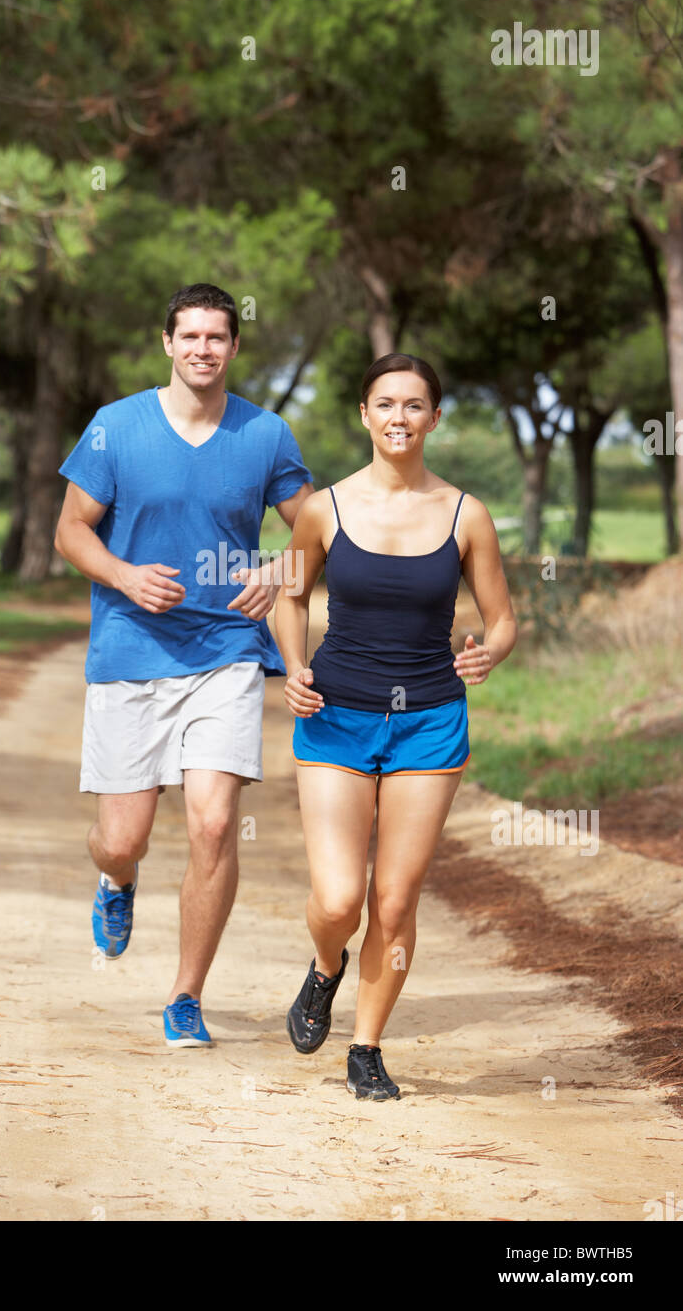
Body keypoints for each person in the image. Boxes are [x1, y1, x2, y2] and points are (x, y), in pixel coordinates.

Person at [54, 283, 314, 1048]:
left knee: (212, 823)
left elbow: (318, 529)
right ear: (167, 342)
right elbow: (71, 531)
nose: (203, 348)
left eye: (218, 337)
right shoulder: (114, 428)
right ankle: (116, 879)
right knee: (124, 835)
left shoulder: (266, 435)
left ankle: (186, 996)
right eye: (190, 336)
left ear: (235, 347)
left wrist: (279, 571)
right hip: (131, 652)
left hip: (226, 653)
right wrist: (125, 575)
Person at [275, 352, 517, 1099]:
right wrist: (293, 667)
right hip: (336, 717)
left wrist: (488, 657)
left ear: (435, 419)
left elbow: (503, 621)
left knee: (394, 901)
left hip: (430, 723)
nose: (399, 418)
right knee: (340, 901)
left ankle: (367, 1047)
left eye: (415, 406)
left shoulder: (464, 513)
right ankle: (325, 967)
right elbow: (289, 596)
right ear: (364, 416)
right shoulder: (325, 509)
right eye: (385, 404)